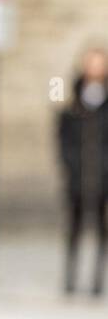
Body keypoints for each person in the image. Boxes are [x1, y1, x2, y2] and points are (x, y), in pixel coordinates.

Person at [57, 46, 108, 296]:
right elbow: (62, 141)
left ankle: (97, 282)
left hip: (102, 179)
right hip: (78, 179)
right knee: (74, 230)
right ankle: (70, 279)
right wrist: (70, 167)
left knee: (102, 230)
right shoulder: (72, 107)